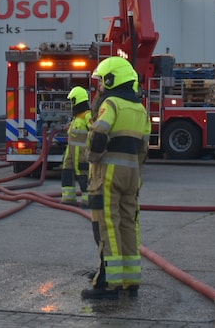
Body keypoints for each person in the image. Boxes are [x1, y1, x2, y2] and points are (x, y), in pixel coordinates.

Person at [82, 56, 151, 301]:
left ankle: (108, 284)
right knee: (128, 224)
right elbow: (144, 147)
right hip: (132, 175)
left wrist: (91, 156)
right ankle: (130, 280)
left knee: (107, 225)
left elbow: (99, 131)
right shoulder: (140, 108)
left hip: (108, 174)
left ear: (112, 80)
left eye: (101, 81)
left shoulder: (110, 104)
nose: (99, 86)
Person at [60, 86, 91, 206]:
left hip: (82, 152)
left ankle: (88, 199)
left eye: (72, 101)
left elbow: (94, 130)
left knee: (82, 173)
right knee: (67, 170)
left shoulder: (87, 115)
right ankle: (68, 198)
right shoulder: (77, 117)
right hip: (71, 151)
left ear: (76, 100)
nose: (71, 104)